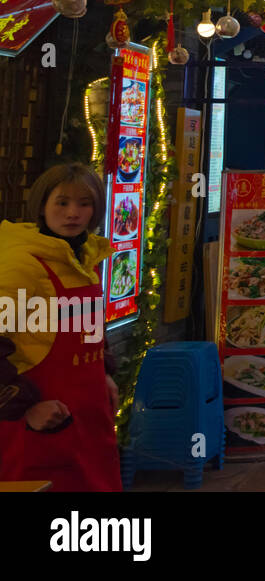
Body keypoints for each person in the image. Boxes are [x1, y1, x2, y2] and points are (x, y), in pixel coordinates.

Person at [0, 163, 119, 491]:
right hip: (39, 425)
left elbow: (88, 326)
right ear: (42, 205)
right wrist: (26, 408)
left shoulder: (83, 257)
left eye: (85, 203)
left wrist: (104, 372)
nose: (73, 213)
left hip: (89, 418)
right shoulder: (23, 263)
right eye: (62, 202)